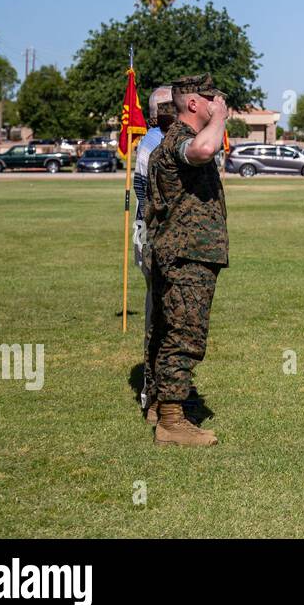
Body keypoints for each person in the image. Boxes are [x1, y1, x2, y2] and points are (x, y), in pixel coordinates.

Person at [145, 74, 229, 446]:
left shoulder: (177, 137)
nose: (217, 102)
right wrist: (221, 118)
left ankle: (161, 404)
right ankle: (171, 422)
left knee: (166, 331)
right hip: (187, 254)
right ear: (194, 104)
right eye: (210, 98)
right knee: (184, 335)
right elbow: (204, 151)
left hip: (186, 251)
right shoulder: (180, 140)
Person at [134, 85, 174, 424]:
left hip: (165, 237)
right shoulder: (151, 142)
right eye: (166, 106)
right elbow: (142, 192)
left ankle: (169, 392)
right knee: (158, 315)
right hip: (152, 236)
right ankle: (154, 396)